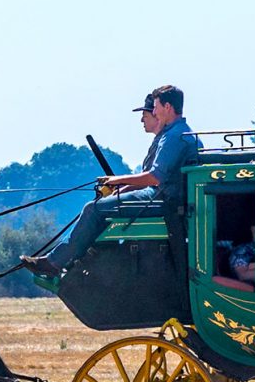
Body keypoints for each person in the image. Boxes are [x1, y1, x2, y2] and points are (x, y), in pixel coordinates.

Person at [21, 85, 201, 276]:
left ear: (167, 107)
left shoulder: (172, 137)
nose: (154, 112)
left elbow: (154, 177)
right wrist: (120, 188)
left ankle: (56, 263)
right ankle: (65, 259)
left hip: (162, 200)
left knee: (94, 209)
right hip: (166, 196)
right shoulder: (184, 133)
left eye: (155, 107)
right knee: (100, 205)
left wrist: (116, 181)